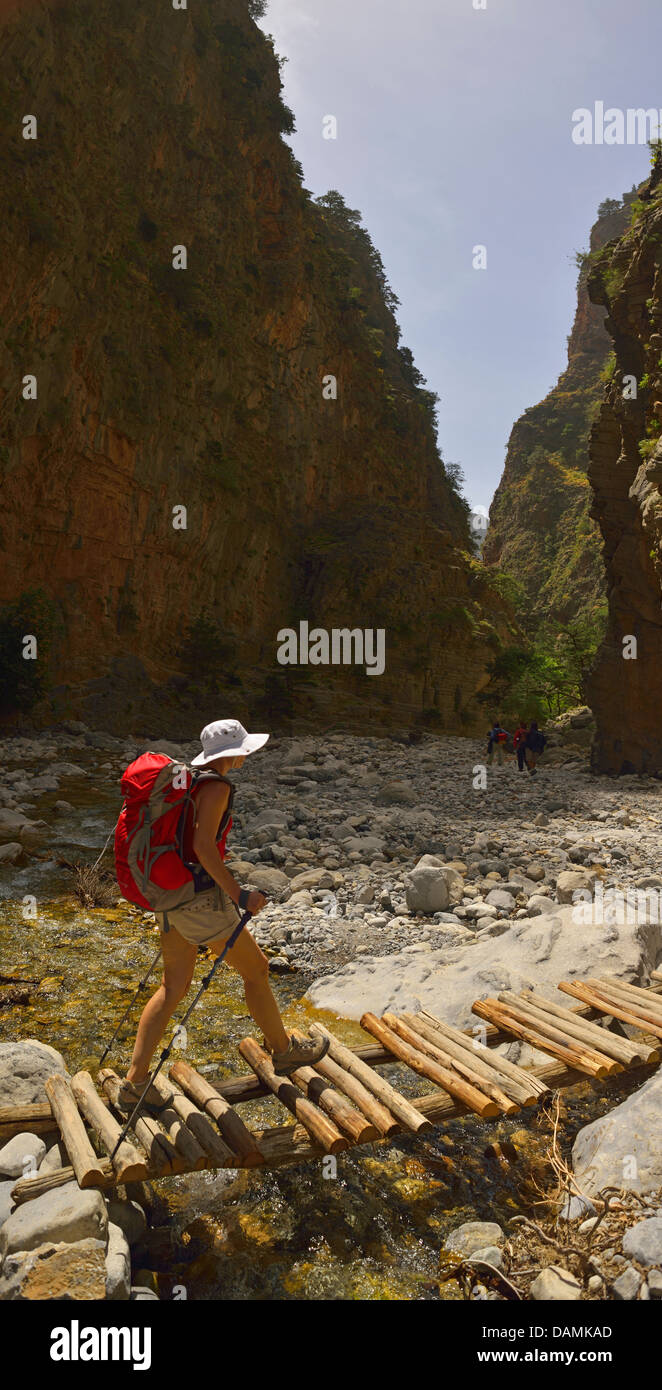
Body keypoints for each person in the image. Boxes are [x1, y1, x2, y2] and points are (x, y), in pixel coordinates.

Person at [119, 719, 329, 1113]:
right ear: (232, 752)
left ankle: (135, 1081)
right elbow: (202, 846)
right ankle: (284, 1052)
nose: (247, 753)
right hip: (198, 898)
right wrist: (240, 894)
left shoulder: (189, 782)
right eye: (244, 747)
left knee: (173, 987)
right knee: (257, 970)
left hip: (169, 892)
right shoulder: (216, 786)